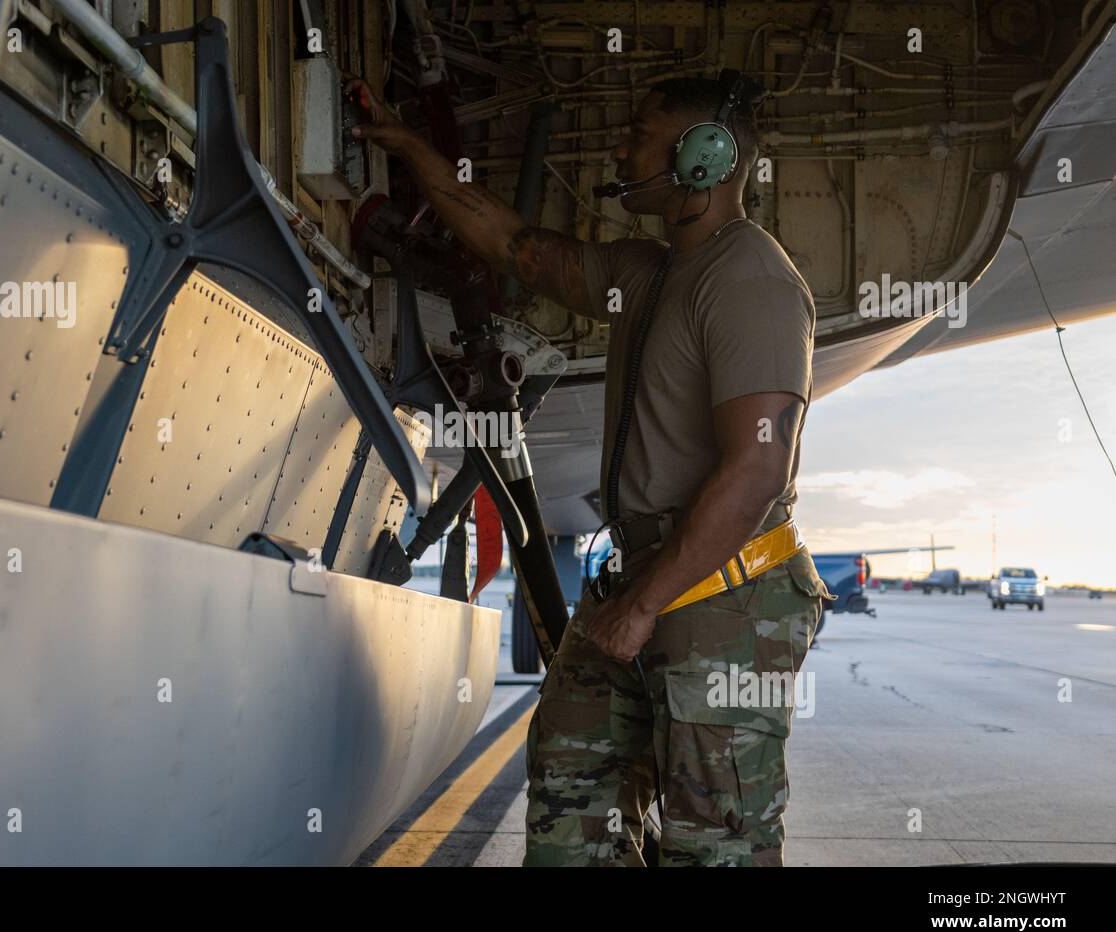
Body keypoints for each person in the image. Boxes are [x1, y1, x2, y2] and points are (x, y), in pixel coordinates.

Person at [351, 72, 833, 866]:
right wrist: (411, 148)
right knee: (572, 794)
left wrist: (641, 608)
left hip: (724, 597)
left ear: (702, 157)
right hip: (645, 579)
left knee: (715, 841)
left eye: (639, 134)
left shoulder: (751, 281)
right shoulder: (646, 273)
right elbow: (516, 247)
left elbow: (754, 471)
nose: (619, 148)